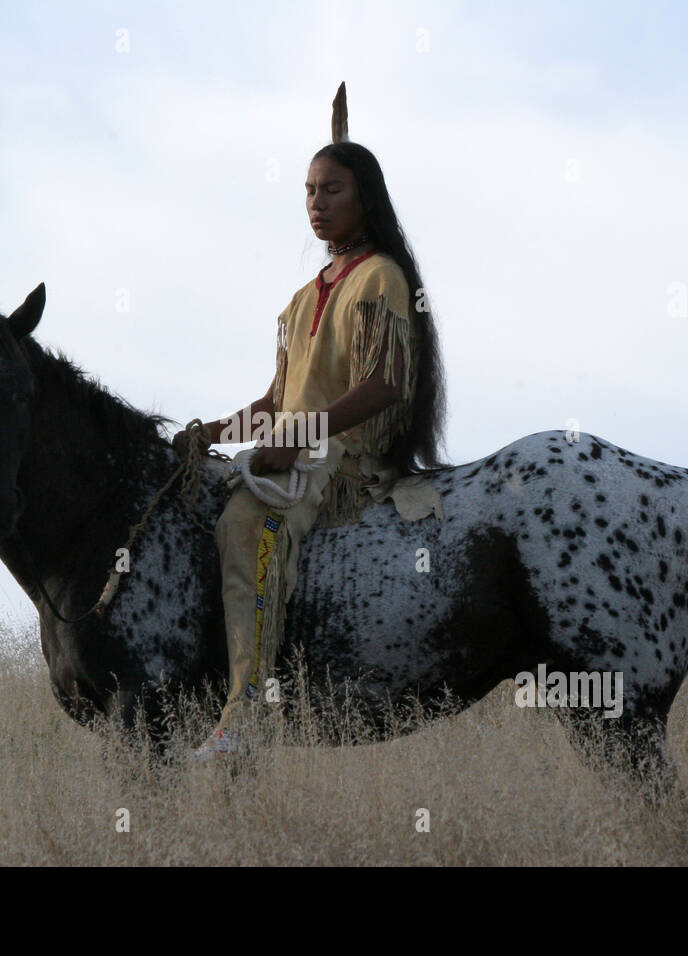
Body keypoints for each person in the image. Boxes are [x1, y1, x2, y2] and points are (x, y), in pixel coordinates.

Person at [175, 84, 449, 759]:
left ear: (365, 198)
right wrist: (213, 432)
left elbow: (383, 385)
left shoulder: (382, 276)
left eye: (331, 189)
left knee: (246, 523)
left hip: (347, 460)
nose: (315, 204)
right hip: (298, 450)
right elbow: (277, 400)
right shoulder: (301, 299)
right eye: (307, 191)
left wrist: (294, 439)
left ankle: (244, 715)